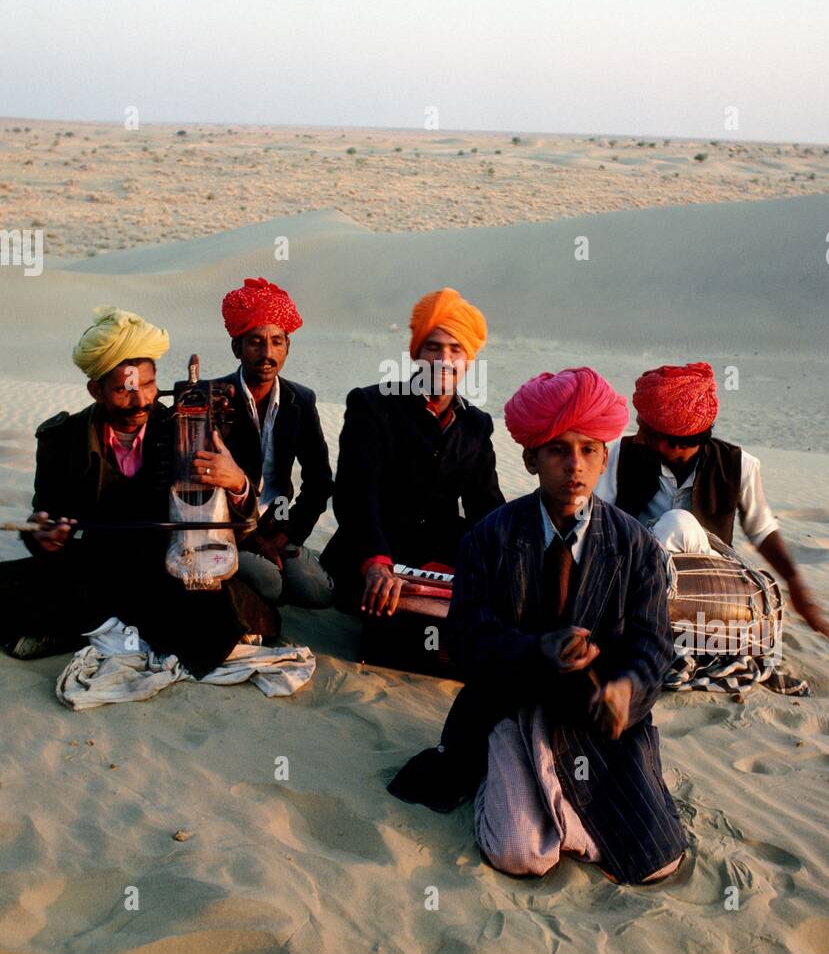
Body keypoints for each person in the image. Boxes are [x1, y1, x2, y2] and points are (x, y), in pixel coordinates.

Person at [389, 367, 687, 885]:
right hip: (510, 707)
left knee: (658, 861)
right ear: (530, 458)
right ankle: (493, 774)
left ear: (604, 458)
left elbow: (652, 645)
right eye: (557, 450)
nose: (575, 465)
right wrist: (536, 649)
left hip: (597, 718)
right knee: (520, 855)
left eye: (589, 450)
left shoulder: (635, 545)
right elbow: (466, 636)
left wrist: (625, 690)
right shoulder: (488, 538)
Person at [0, 305, 275, 676]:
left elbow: (240, 524)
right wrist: (45, 536)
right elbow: (45, 516)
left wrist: (236, 482)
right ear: (95, 389)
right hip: (94, 567)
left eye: (147, 384)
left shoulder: (189, 428)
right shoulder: (61, 439)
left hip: (163, 569)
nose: (141, 400)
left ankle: (81, 630)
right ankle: (95, 627)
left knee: (216, 614)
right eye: (124, 390)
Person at [594, 361, 829, 639]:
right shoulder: (618, 455)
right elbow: (600, 521)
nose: (637, 438)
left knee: (678, 523)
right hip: (635, 567)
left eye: (647, 431)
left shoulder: (739, 464)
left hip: (708, 579)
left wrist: (794, 582)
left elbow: (761, 528)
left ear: (676, 441)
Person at [320, 287, 504, 623]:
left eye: (455, 350)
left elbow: (485, 507)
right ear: (417, 352)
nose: (444, 360)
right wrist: (376, 563)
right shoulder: (372, 406)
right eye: (433, 347)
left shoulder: (476, 425)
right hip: (371, 554)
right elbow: (356, 494)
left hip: (440, 560)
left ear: (468, 359)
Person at [217, 277, 334, 609]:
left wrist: (287, 536)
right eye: (255, 342)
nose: (268, 354)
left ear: (287, 347)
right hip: (229, 531)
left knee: (318, 595)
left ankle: (281, 562)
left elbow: (319, 481)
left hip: (278, 526)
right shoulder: (214, 398)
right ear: (237, 348)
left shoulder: (301, 401)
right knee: (269, 584)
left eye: (277, 342)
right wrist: (253, 541)